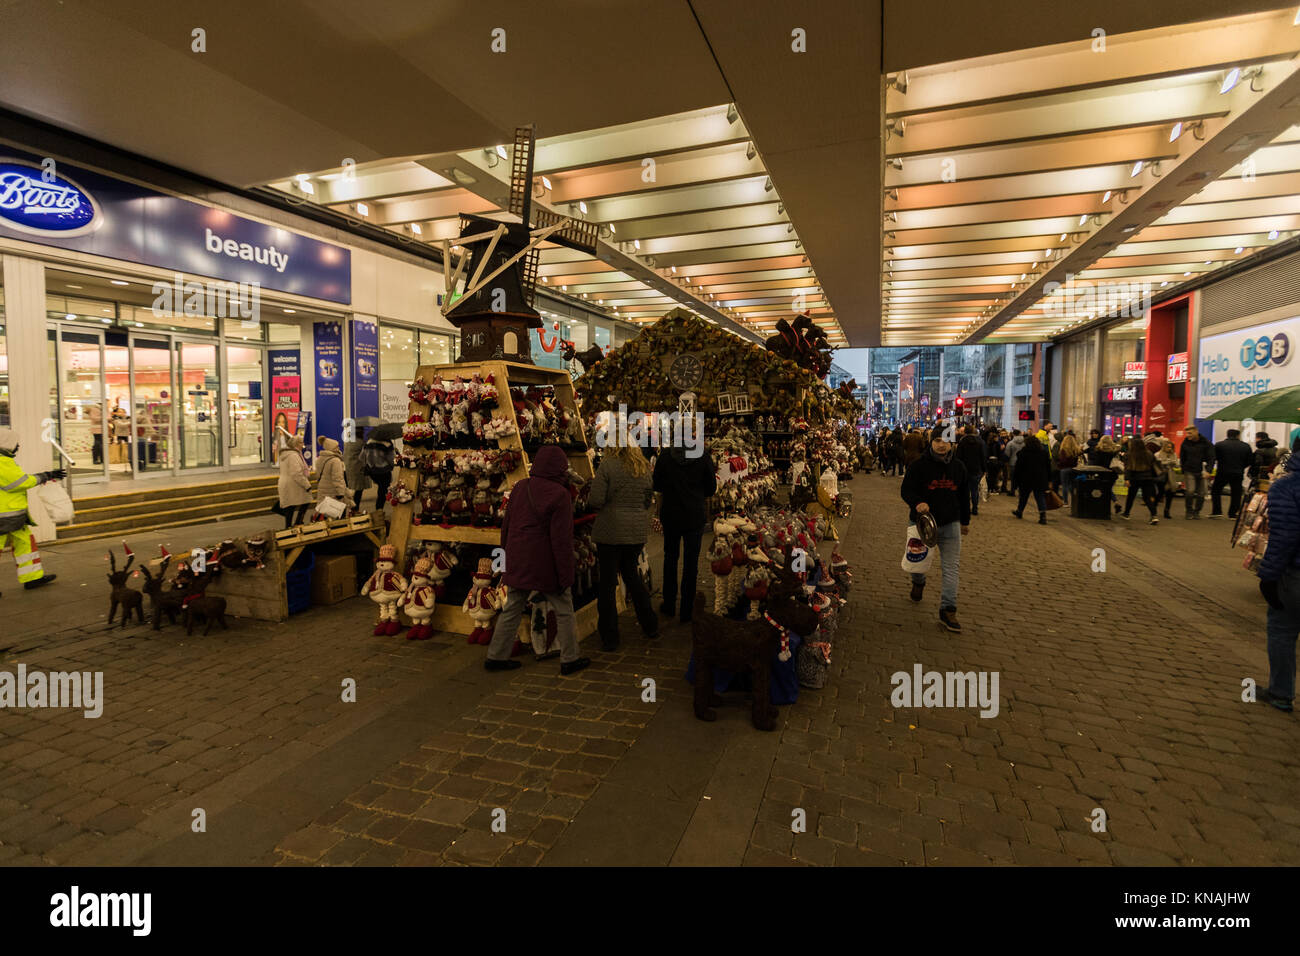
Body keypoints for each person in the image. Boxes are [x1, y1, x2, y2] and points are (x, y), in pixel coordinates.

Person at [484, 445, 589, 676]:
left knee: (512, 607)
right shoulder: (560, 495)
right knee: (564, 608)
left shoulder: (521, 487)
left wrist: (504, 560)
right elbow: (561, 540)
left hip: (518, 559)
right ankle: (570, 658)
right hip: (545, 564)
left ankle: (496, 656)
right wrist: (566, 575)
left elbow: (507, 527)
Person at [588, 442, 658, 651]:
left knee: (608, 583)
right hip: (635, 531)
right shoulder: (643, 467)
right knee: (632, 577)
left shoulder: (608, 466)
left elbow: (596, 500)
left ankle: (610, 637)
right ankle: (650, 624)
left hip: (611, 531)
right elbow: (648, 501)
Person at [901, 424, 969, 633]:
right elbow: (906, 490)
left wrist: (965, 521)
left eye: (946, 441)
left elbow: (963, 496)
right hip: (923, 524)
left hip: (950, 524)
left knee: (951, 567)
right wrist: (917, 503)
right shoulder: (919, 465)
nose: (942, 445)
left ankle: (948, 609)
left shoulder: (958, 467)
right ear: (931, 441)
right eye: (938, 441)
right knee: (918, 563)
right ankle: (918, 582)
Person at [1255, 448, 1300, 712]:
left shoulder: (1287, 487)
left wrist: (1268, 577)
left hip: (1295, 574)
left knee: (1282, 630)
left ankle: (1281, 692)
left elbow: (1284, 538)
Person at [654, 441, 717, 624]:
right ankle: (687, 610)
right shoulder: (702, 455)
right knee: (691, 563)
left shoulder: (665, 456)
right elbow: (711, 488)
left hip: (671, 514)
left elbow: (657, 484)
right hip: (694, 515)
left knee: (670, 558)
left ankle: (669, 603)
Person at [0, 427, 65, 597]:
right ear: (6, 444)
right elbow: (19, 482)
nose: (18, 447)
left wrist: (45, 475)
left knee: (26, 546)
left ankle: (32, 577)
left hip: (13, 516)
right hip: (4, 517)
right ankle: (31, 578)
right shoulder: (2, 462)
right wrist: (45, 476)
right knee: (24, 546)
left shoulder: (5, 460)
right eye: (15, 444)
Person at [1211, 428, 1252, 519]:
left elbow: (1214, 458)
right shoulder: (1245, 446)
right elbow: (1249, 461)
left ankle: (1216, 511)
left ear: (1227, 435)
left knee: (1216, 490)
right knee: (1236, 493)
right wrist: (1241, 466)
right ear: (1238, 435)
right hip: (1237, 472)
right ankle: (1233, 513)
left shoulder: (1219, 445)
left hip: (1222, 471)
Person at [1120, 433, 1161, 524]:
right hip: (1147, 478)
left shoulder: (1129, 455)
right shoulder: (1149, 454)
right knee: (1147, 497)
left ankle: (1126, 513)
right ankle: (1154, 515)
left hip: (1134, 478)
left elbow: (1127, 468)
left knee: (1131, 496)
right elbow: (1153, 464)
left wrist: (1127, 479)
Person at [1012, 434, 1051, 524]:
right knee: (1040, 497)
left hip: (1026, 479)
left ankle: (1019, 511)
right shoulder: (1043, 453)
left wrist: (1016, 480)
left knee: (1023, 496)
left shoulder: (1023, 452)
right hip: (1040, 479)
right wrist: (1049, 480)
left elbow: (1018, 468)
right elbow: (1048, 467)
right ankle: (1043, 516)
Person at [1177, 425, 1215, 519]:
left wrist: (1208, 471)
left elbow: (1211, 458)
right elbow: (1182, 457)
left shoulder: (1206, 443)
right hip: (1189, 470)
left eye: (1190, 433)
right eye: (1187, 433)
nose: (1188, 435)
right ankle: (1189, 511)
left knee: (1201, 493)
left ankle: (1197, 511)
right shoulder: (1185, 443)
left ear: (1196, 432)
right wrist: (1183, 469)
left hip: (1202, 471)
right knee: (1190, 491)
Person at [275, 434, 312, 527]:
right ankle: (297, 524)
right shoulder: (293, 455)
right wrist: (307, 485)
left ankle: (291, 526)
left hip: (288, 484)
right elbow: (296, 473)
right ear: (297, 444)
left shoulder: (288, 454)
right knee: (303, 503)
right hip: (293, 484)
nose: (303, 444)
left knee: (290, 507)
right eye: (301, 442)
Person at [955, 425, 986, 516]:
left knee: (965, 490)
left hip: (965, 469)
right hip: (976, 469)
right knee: (974, 489)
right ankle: (975, 508)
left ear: (965, 432)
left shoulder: (962, 441)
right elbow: (982, 456)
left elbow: (959, 456)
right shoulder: (980, 441)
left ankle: (966, 508)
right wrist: (984, 469)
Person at [314, 436, 350, 511]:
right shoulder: (335, 460)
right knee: (337, 513)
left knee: (326, 512)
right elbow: (337, 478)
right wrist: (340, 492)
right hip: (332, 490)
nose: (338, 449)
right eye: (336, 447)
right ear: (331, 448)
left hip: (323, 489)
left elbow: (317, 474)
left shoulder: (319, 459)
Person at [1153, 438, 1179, 520]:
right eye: (1168, 447)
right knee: (1160, 492)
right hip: (1161, 475)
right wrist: (1165, 463)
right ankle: (1153, 507)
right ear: (1164, 447)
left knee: (1170, 493)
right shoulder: (1158, 454)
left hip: (1170, 475)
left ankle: (1167, 511)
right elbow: (1155, 464)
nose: (1169, 449)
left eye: (1171, 447)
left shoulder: (1174, 454)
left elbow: (1177, 465)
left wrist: (1174, 463)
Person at [1055, 433, 1082, 505]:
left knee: (1064, 486)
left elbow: (1062, 460)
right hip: (1073, 469)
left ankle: (1065, 502)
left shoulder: (1063, 450)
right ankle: (1074, 500)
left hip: (1064, 469)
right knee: (1071, 485)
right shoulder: (1076, 449)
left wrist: (1058, 464)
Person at [1004, 430, 1026, 496]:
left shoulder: (1010, 443)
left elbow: (1007, 454)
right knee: (1022, 478)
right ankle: (1021, 491)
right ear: (1020, 434)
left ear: (1013, 434)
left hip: (1013, 463)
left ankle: (1012, 491)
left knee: (1013, 478)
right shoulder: (1025, 443)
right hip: (1023, 463)